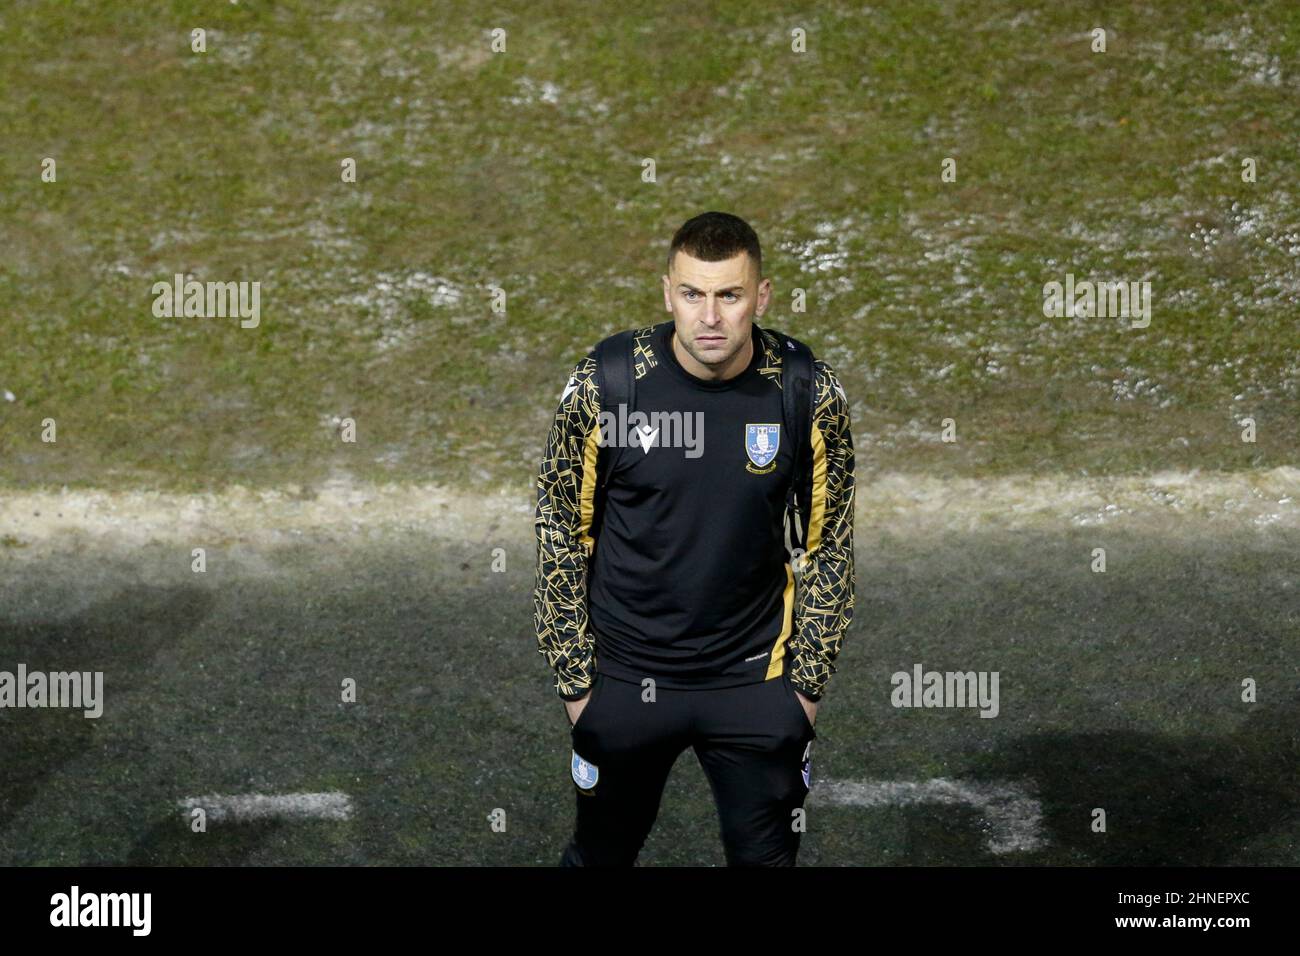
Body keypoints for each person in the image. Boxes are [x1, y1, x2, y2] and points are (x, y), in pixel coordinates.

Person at [533, 211, 856, 866]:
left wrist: (803, 693)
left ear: (761, 297)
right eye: (693, 294)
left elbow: (830, 543)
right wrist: (579, 687)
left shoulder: (805, 391)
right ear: (667, 293)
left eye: (729, 295)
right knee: (598, 858)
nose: (710, 317)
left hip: (753, 682)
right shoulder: (607, 384)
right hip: (624, 678)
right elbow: (558, 526)